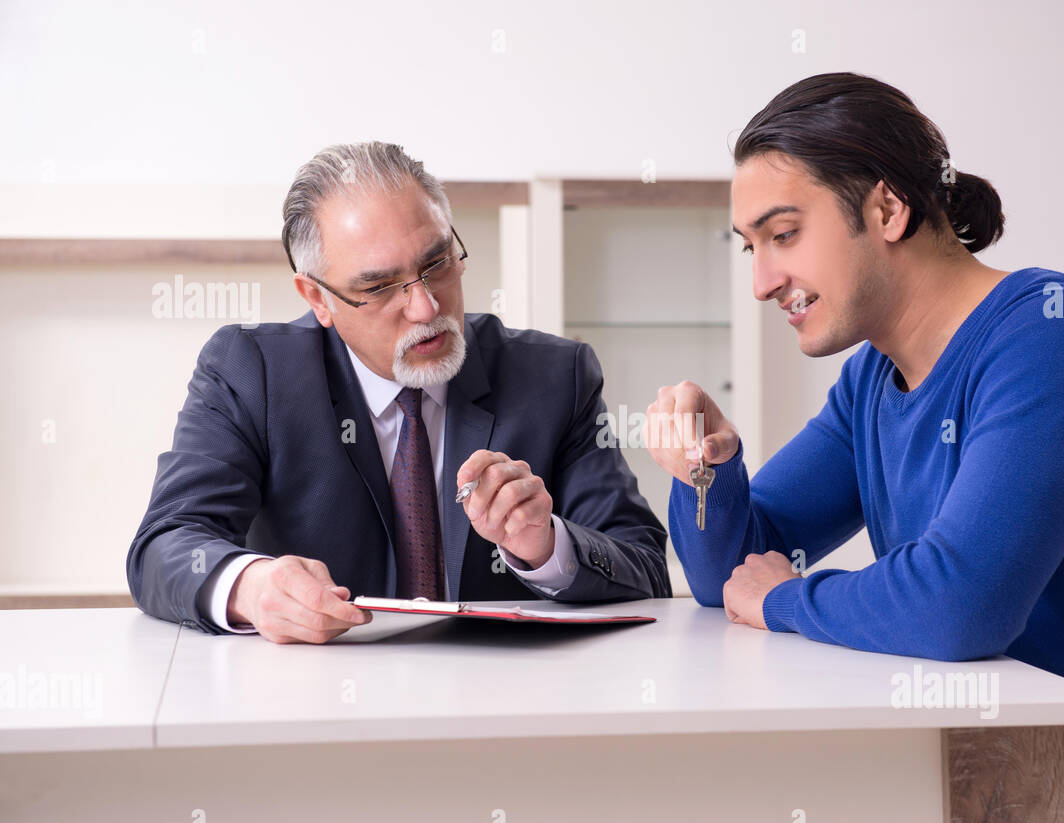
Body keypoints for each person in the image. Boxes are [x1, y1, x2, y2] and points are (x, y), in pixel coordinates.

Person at [647, 73, 1064, 823]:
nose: (761, 281)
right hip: (983, 802)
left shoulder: (1061, 340)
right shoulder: (873, 380)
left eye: (783, 234)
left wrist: (788, 598)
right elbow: (727, 576)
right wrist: (709, 472)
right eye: (749, 247)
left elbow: (962, 603)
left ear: (888, 209)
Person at [128, 142, 669, 644]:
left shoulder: (553, 375)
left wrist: (546, 547)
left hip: (503, 710)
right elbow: (164, 543)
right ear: (317, 298)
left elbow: (644, 566)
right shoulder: (253, 372)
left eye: (437, 264)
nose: (426, 309)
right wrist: (251, 585)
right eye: (380, 287)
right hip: (318, 710)